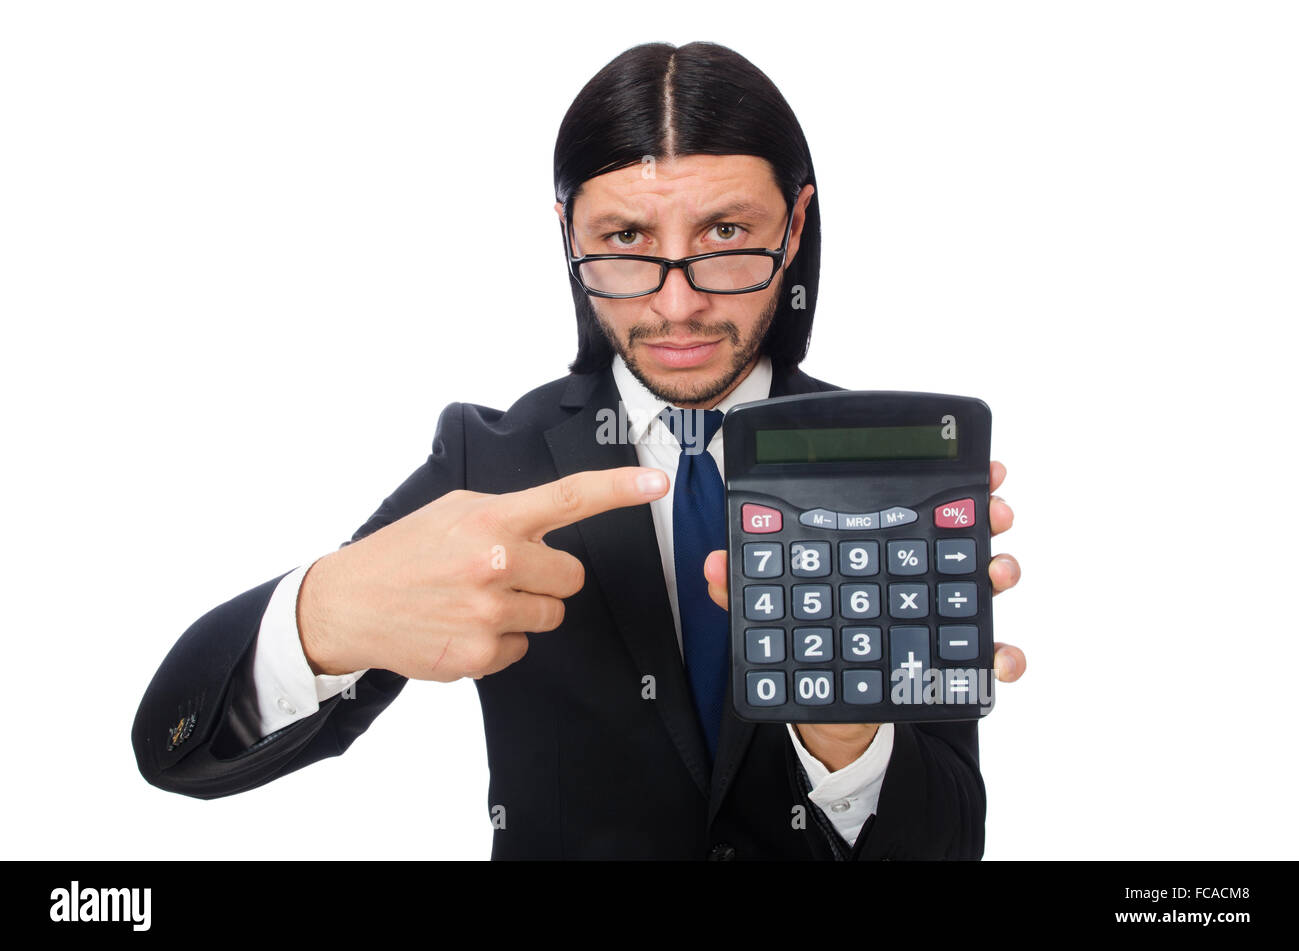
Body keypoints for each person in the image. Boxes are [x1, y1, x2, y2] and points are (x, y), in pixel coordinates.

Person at [132, 40, 1025, 860]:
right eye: (627, 240)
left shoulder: (883, 467)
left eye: (724, 234)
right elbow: (176, 747)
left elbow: (949, 846)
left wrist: (849, 738)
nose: (677, 305)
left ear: (795, 226)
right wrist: (328, 612)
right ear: (567, 233)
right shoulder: (491, 465)